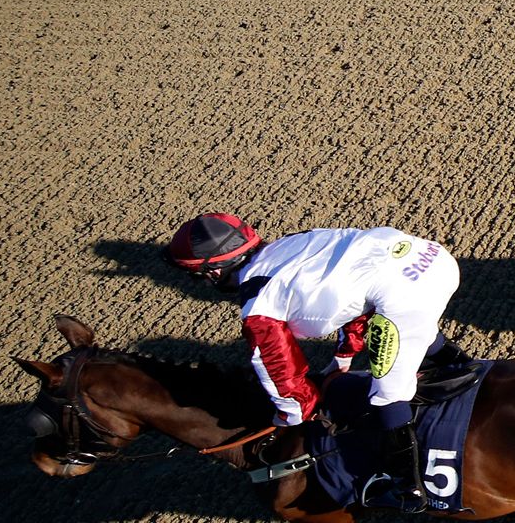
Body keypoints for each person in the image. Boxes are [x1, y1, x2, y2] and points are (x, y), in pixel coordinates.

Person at [166, 214, 468, 513]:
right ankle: (461, 364)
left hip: (405, 291)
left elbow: (276, 365)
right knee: (408, 328)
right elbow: (355, 295)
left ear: (214, 272)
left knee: (386, 394)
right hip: (433, 259)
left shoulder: (257, 305)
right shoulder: (293, 242)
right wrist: (344, 356)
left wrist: (294, 412)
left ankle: (407, 487)